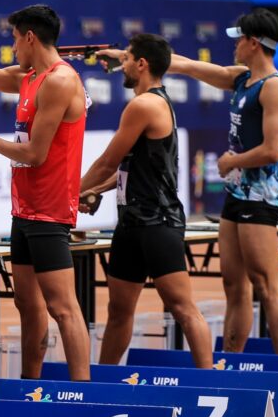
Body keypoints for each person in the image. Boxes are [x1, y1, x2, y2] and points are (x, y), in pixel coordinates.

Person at [0, 4, 91, 380]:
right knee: (28, 307)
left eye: (15, 39)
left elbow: (35, 153)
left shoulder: (60, 80)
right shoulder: (30, 76)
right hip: (25, 210)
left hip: (50, 211)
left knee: (63, 307)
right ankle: (32, 389)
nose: (12, 47)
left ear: (30, 37)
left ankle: (85, 393)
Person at [167, 7, 278, 355]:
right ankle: (230, 364)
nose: (235, 45)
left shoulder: (275, 88)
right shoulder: (242, 78)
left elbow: (272, 151)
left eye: (239, 39)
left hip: (261, 195)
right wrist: (131, 56)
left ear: (254, 43)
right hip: (237, 194)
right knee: (234, 287)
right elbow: (188, 66)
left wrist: (232, 160)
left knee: (266, 286)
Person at [79, 34, 213, 368]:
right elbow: (128, 167)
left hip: (158, 223)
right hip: (131, 224)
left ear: (142, 64)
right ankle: (105, 383)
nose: (120, 66)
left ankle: (211, 380)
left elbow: (107, 162)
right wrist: (93, 191)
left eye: (126, 59)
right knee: (119, 312)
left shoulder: (145, 104)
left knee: (183, 309)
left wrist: (66, 195)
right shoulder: (147, 102)